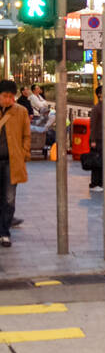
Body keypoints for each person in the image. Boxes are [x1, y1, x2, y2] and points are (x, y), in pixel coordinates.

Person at [0, 81, 29, 247]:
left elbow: (26, 135)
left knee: (9, 199)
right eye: (5, 96)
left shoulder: (21, 112)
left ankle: (4, 232)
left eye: (12, 97)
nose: (9, 100)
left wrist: (24, 154)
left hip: (12, 162)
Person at [89, 85, 104, 191]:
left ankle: (101, 182)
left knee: (102, 161)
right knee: (96, 161)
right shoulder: (96, 108)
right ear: (99, 94)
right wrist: (93, 140)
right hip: (98, 138)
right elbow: (93, 125)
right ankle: (95, 183)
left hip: (104, 138)